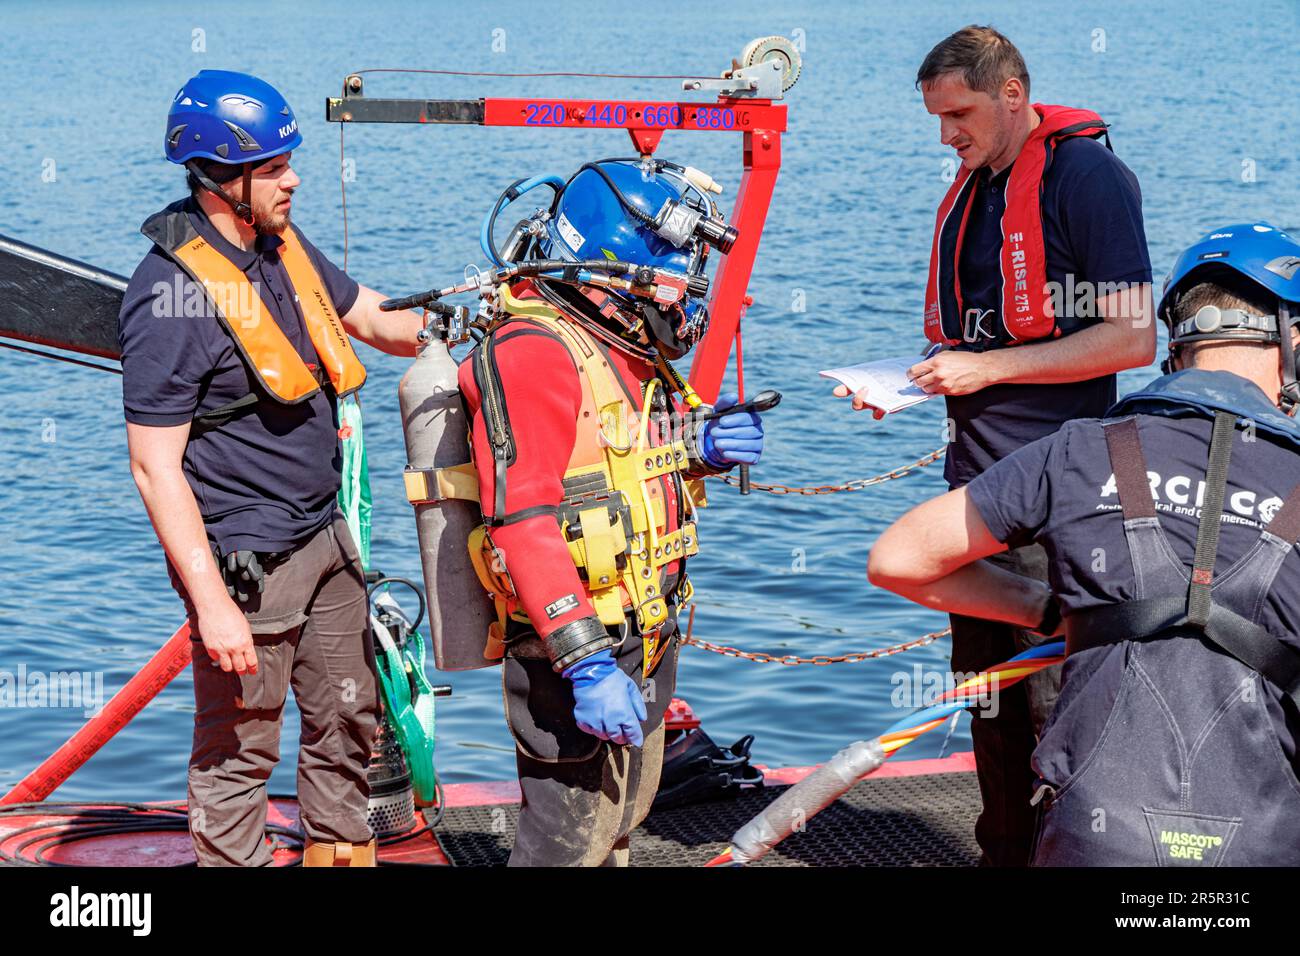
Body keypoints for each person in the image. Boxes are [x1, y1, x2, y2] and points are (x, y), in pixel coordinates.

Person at [869, 223, 1300, 865]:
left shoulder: (1080, 449)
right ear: (1293, 343)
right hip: (1260, 843)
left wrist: (1046, 611)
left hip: (1099, 837)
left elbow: (898, 560)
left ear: (1176, 348)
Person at [837, 25, 1155, 865]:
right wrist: (911, 382)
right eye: (938, 118)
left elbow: (1132, 338)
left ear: (1013, 94)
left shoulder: (1087, 178)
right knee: (987, 700)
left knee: (1055, 705)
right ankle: (1003, 852)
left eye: (960, 114)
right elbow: (983, 338)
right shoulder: (978, 183)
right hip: (976, 490)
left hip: (1059, 495)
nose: (947, 135)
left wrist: (985, 370)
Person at [118, 70, 425, 866]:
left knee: (350, 716)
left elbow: (371, 317)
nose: (294, 179)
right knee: (239, 751)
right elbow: (154, 468)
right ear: (223, 178)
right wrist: (212, 605)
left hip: (324, 535)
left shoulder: (278, 244)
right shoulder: (169, 296)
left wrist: (471, 321)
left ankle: (340, 854)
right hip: (248, 561)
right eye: (277, 167)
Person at [457, 159, 765, 866]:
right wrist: (587, 665)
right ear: (612, 273)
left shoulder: (618, 341)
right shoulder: (533, 353)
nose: (682, 297)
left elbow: (616, 455)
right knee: (564, 845)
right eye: (670, 279)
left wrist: (698, 448)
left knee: (619, 823)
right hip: (576, 646)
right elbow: (522, 522)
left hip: (645, 632)